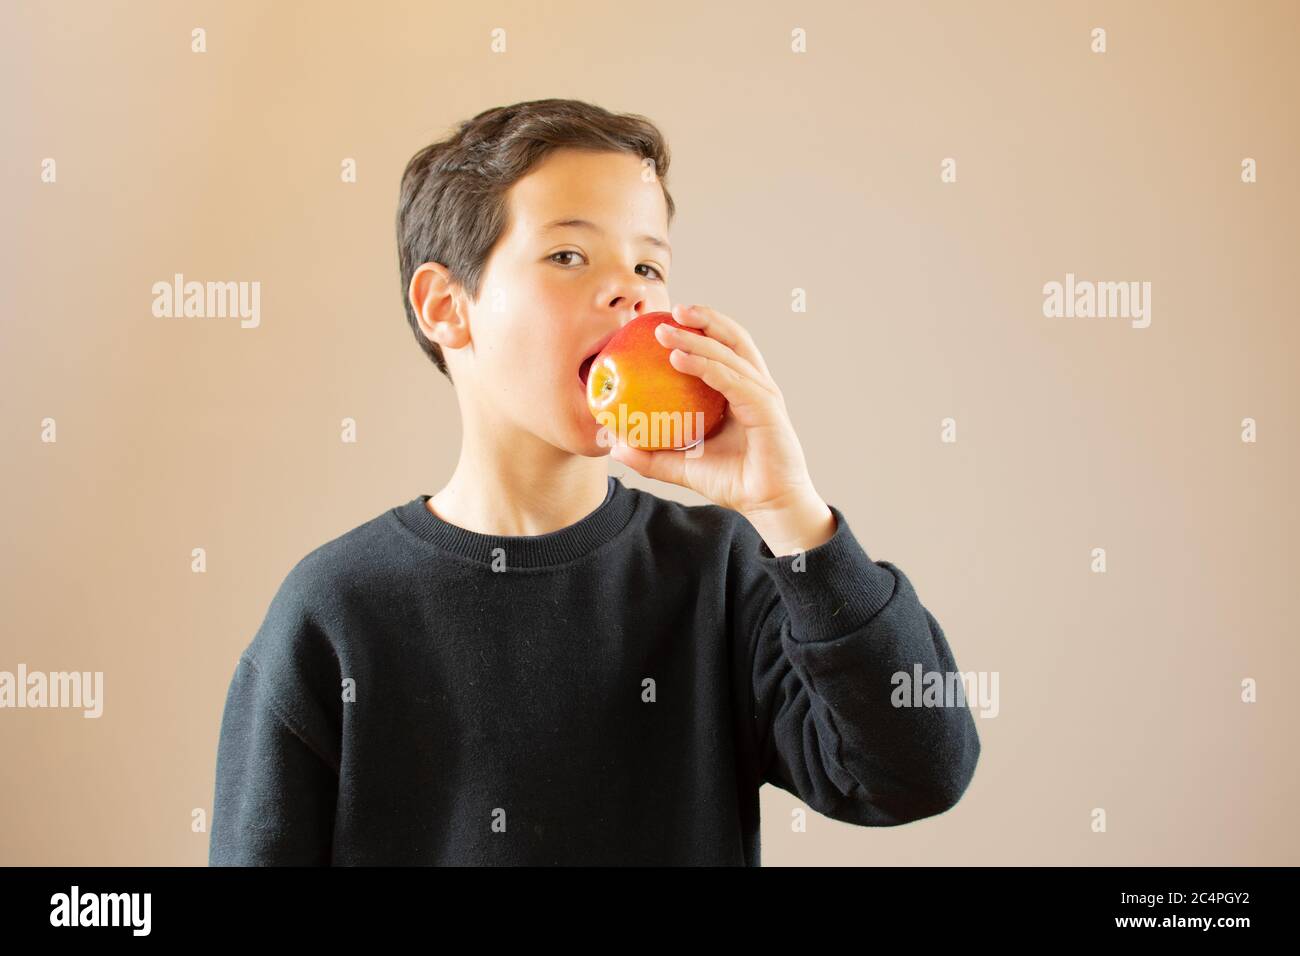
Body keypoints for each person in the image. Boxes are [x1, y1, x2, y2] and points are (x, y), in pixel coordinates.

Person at [208, 98, 980, 866]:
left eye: (649, 265)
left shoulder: (722, 573)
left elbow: (919, 772)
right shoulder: (335, 608)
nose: (631, 291)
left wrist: (788, 510)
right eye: (569, 256)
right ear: (447, 307)